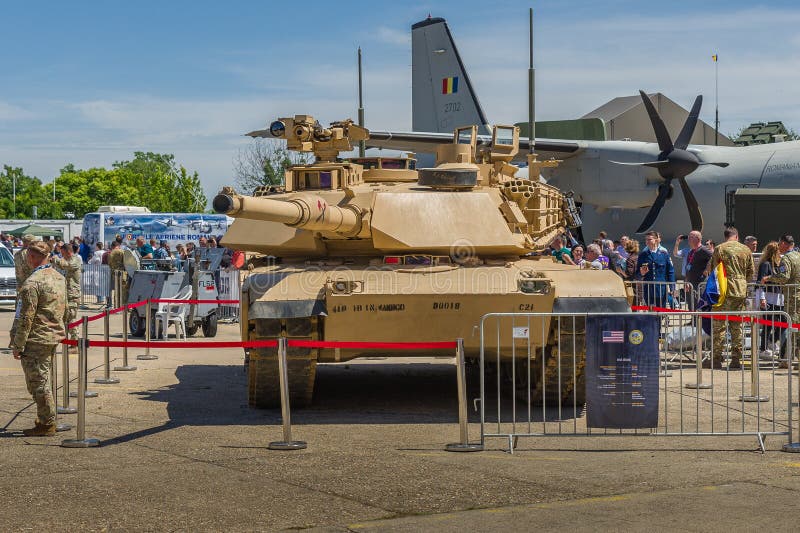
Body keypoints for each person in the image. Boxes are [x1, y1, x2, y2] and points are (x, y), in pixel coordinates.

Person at [10, 240, 67, 436]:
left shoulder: (31, 283)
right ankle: (46, 419)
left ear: (31, 257)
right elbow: (65, 309)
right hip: (52, 335)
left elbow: (26, 318)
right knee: (43, 379)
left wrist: (18, 344)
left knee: (37, 383)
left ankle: (47, 422)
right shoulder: (59, 277)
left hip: (35, 338)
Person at [706, 227, 755, 369]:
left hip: (724, 290)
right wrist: (742, 282)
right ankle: (735, 359)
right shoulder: (746, 250)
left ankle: (716, 359)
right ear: (737, 236)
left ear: (725, 236)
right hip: (740, 291)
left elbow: (714, 270)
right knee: (737, 326)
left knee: (719, 326)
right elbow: (751, 271)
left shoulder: (720, 249)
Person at [762, 234, 800, 367]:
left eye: (779, 244)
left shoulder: (787, 258)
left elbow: (784, 277)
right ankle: (789, 358)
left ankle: (786, 359)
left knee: (791, 328)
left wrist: (769, 278)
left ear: (784, 243)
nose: (778, 247)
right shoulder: (799, 256)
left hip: (792, 298)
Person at [755, 241, 783, 360]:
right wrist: (762, 298)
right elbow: (760, 282)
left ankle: (771, 341)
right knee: (767, 324)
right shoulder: (765, 264)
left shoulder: (778, 265)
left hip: (778, 298)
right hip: (768, 297)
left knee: (782, 322)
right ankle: (763, 348)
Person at [51, 242, 82, 341]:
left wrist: (56, 259)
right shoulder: (69, 260)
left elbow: (66, 265)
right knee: (65, 317)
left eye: (63, 254)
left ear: (68, 252)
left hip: (73, 294)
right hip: (67, 293)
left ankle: (75, 339)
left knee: (70, 317)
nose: (62, 256)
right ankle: (72, 339)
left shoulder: (75, 260)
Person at [636, 230, 675, 308]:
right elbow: (637, 273)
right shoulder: (643, 255)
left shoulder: (664, 254)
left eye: (649, 239)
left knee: (661, 310)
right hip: (648, 289)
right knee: (651, 311)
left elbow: (670, 271)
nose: (647, 241)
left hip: (661, 289)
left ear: (656, 240)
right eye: (646, 239)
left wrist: (672, 288)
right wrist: (641, 274)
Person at [682, 231, 713, 295]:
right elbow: (688, 267)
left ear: (697, 239)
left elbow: (715, 257)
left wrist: (707, 269)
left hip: (700, 284)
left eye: (690, 237)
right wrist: (686, 281)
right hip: (691, 284)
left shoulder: (703, 249)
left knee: (700, 300)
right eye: (688, 237)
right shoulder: (691, 251)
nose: (688, 239)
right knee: (691, 301)